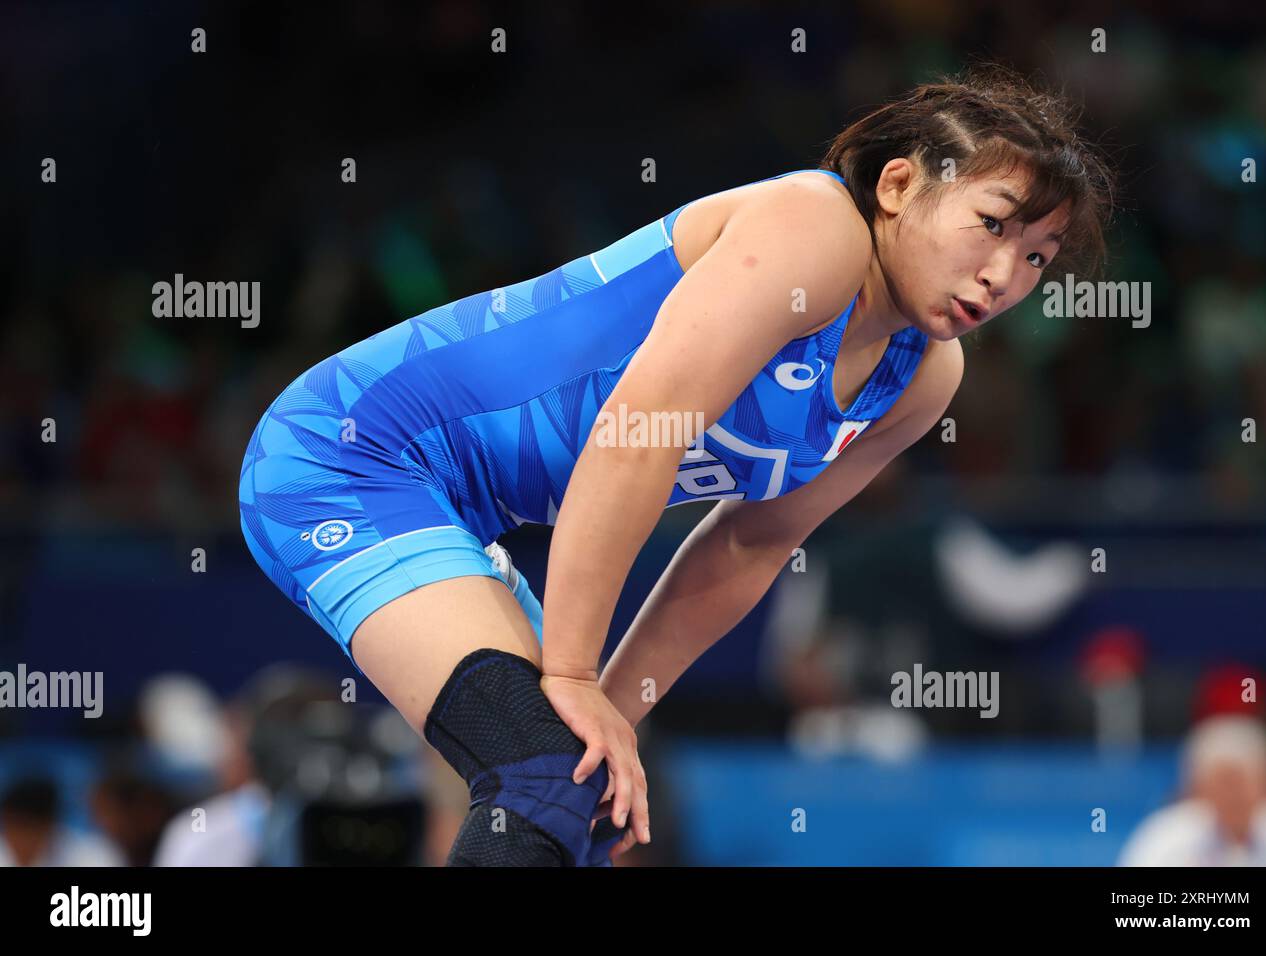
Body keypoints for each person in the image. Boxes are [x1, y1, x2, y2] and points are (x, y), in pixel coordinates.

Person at [238, 64, 1114, 865]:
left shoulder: (923, 379)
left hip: (453, 503)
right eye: (991, 225)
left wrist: (613, 712)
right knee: (541, 777)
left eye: (1036, 256)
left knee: (581, 798)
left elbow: (749, 547)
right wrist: (574, 678)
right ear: (897, 186)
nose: (1004, 273)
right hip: (350, 454)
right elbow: (638, 432)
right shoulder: (814, 229)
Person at [1119, 715, 1266, 866]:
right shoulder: (1162, 837)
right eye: (1223, 783)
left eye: (1243, 782)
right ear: (1196, 787)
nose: (1234, 795)